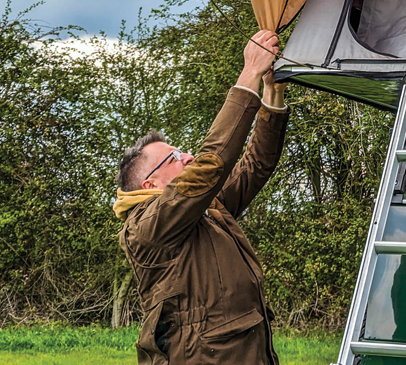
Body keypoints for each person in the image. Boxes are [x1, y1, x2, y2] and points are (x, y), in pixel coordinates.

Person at [112, 30, 289, 365]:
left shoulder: (206, 210)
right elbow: (212, 164)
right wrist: (249, 72)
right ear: (150, 184)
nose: (188, 157)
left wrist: (272, 91)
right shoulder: (147, 226)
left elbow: (256, 165)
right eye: (175, 157)